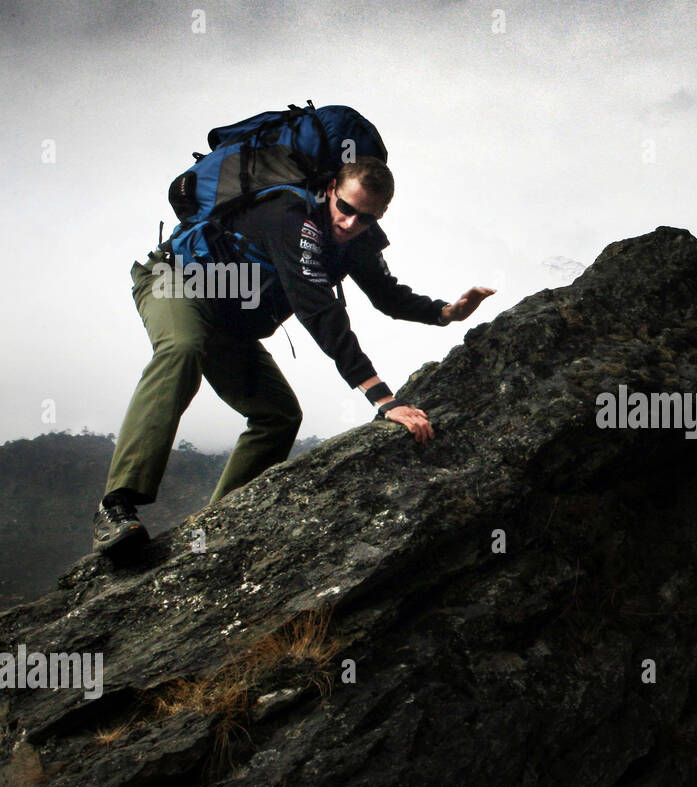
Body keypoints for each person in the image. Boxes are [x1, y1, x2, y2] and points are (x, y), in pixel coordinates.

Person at [92, 155, 494, 555]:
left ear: (381, 213)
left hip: (228, 323)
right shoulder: (291, 218)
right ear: (331, 191)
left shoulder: (357, 240)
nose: (351, 223)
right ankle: (115, 507)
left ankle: (217, 525)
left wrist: (445, 313)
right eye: (346, 209)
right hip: (176, 280)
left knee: (279, 416)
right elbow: (318, 310)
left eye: (366, 218)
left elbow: (387, 296)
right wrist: (385, 400)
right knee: (182, 347)